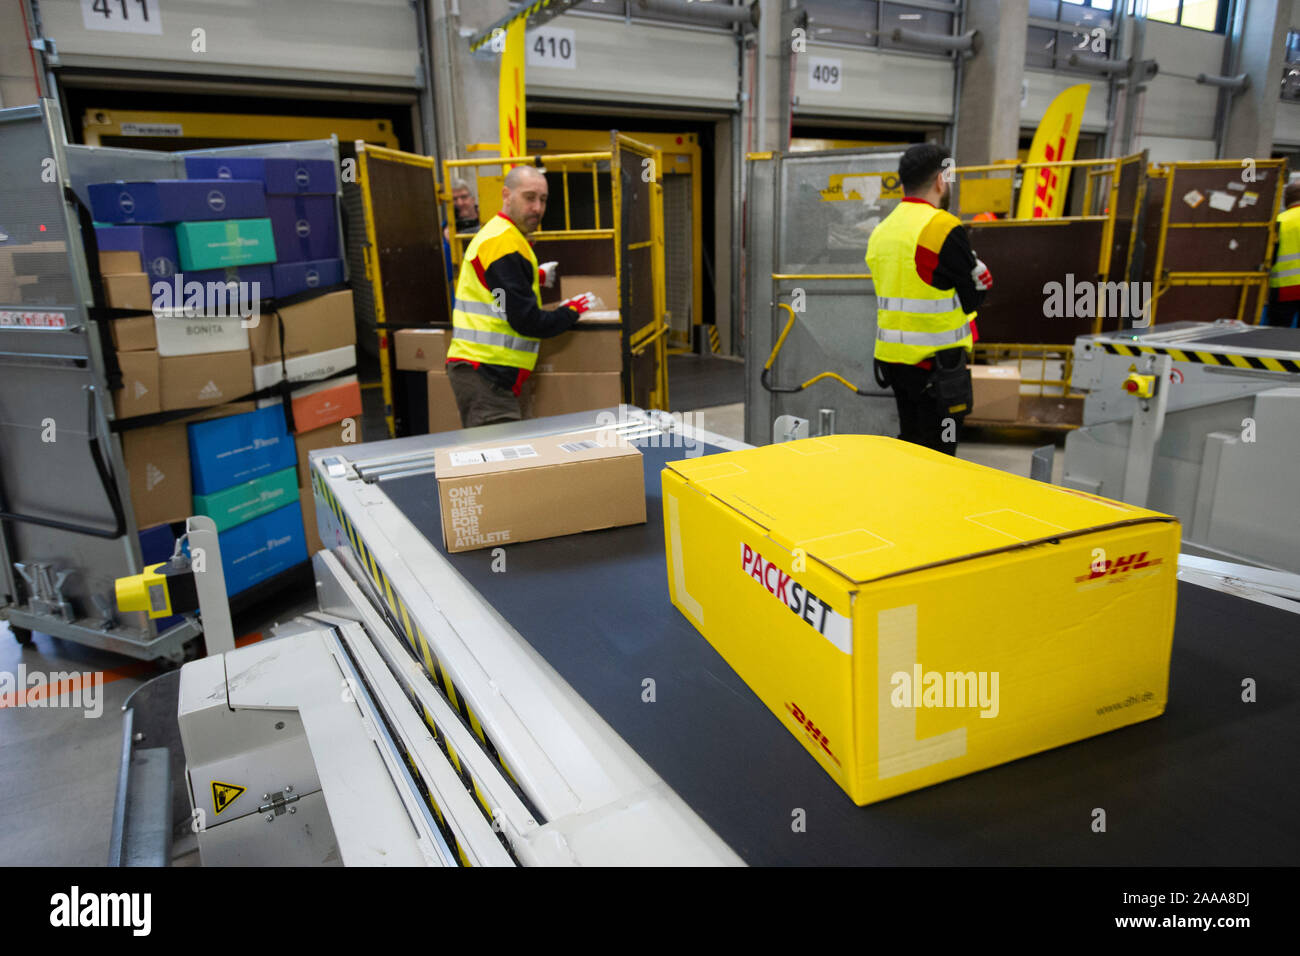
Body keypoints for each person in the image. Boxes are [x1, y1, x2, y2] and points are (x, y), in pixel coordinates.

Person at [866, 143, 992, 456]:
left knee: (911, 446)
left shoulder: (882, 231)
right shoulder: (942, 228)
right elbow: (972, 299)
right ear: (940, 180)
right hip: (938, 368)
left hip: (894, 365)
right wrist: (981, 279)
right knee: (940, 454)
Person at [445, 165, 595, 426]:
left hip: (489, 372)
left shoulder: (504, 236)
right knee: (500, 451)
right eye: (529, 197)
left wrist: (533, 276)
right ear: (507, 195)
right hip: (487, 375)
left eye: (543, 200)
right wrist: (570, 311)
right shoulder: (502, 243)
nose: (537, 208)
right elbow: (526, 320)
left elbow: (497, 292)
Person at [1264, 180, 1300, 328]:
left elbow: (1269, 257)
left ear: (1287, 198)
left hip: (1284, 289)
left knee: (1278, 334)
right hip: (1284, 289)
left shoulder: (1279, 221)